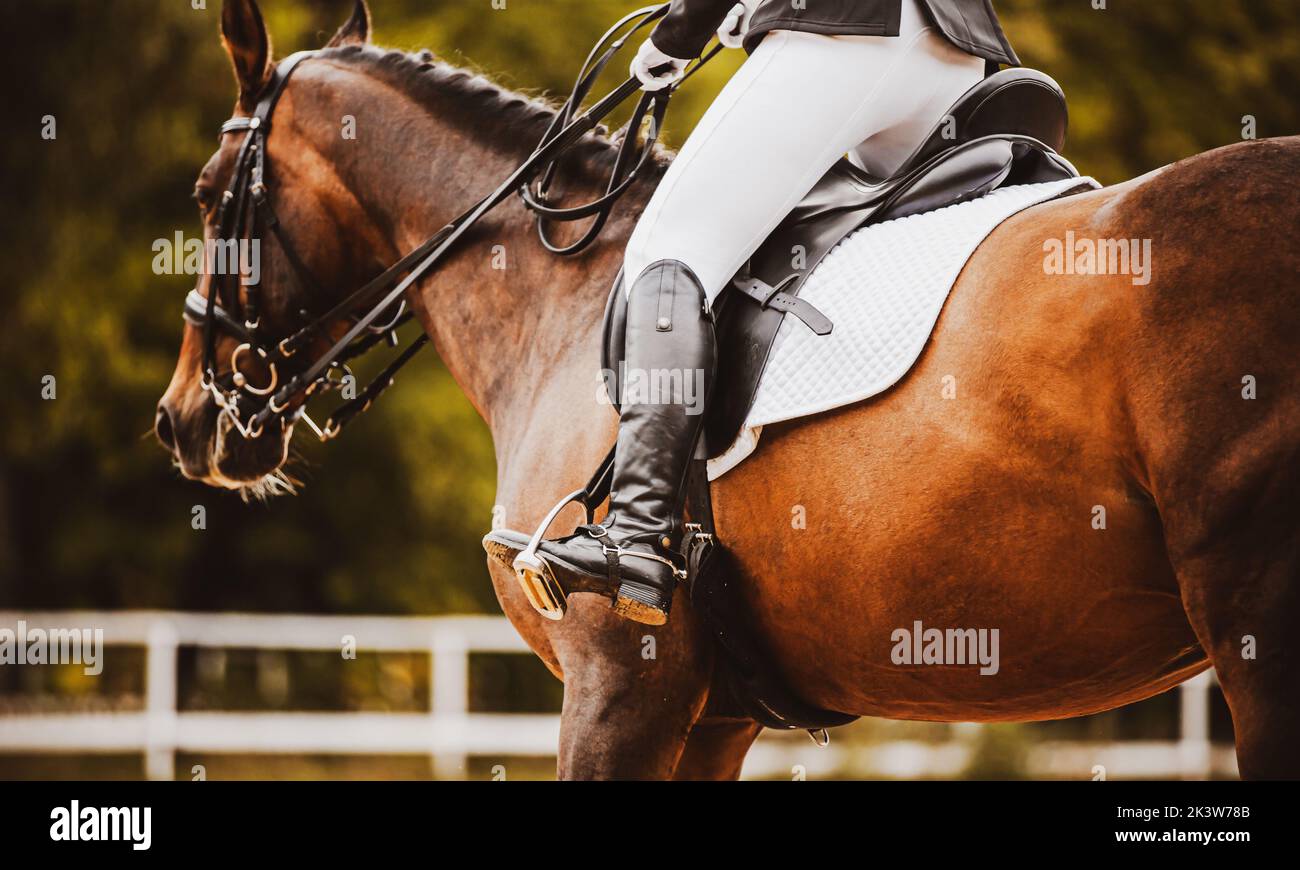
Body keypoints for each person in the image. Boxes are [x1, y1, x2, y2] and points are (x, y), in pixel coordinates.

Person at [488, 0, 1018, 625]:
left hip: (849, 29)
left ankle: (633, 533)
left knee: (670, 251)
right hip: (960, 58)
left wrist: (678, 35)